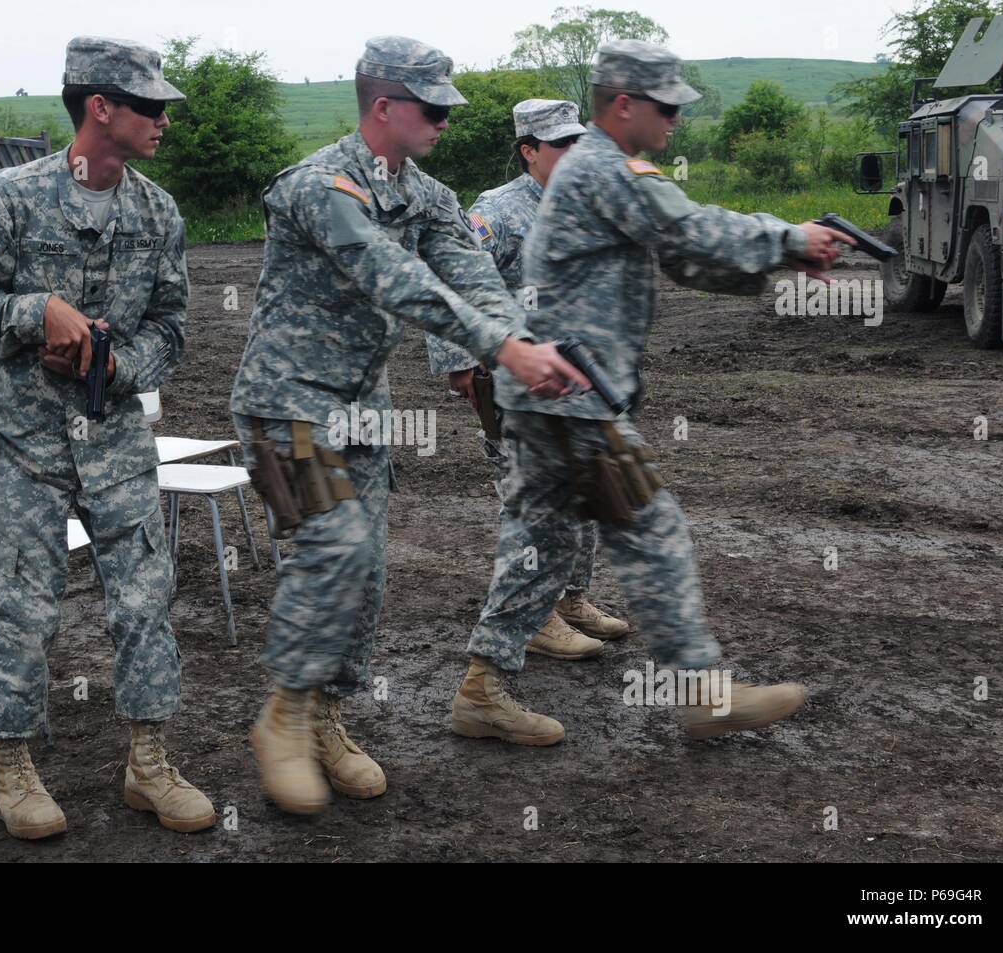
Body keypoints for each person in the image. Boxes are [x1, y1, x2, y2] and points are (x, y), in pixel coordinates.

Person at [450, 39, 853, 746]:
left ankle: (481, 689)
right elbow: (690, 227)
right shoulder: (605, 169)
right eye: (665, 106)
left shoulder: (598, 173)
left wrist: (780, 255)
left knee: (536, 541)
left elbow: (684, 257)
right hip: (572, 395)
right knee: (652, 528)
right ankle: (701, 691)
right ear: (625, 105)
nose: (674, 118)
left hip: (548, 394)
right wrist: (788, 237)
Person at [229, 36, 589, 815]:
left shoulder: (424, 194)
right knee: (332, 547)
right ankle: (284, 719)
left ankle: (325, 719)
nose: (447, 121)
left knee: (367, 575)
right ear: (384, 106)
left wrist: (513, 338)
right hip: (287, 403)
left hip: (362, 408)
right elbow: (393, 278)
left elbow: (471, 272)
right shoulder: (320, 185)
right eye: (433, 108)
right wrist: (502, 347)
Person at [0, 35, 214, 838]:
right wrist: (35, 311)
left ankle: (149, 763)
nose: (163, 119)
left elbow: (171, 328)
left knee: (144, 597)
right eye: (149, 105)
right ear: (100, 107)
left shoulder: (158, 212)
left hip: (116, 438)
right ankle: (12, 767)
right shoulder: (9, 196)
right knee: (22, 604)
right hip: (25, 440)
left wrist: (118, 362)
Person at [425, 98, 630, 662]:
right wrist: (459, 365)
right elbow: (449, 283)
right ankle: (533, 617)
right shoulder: (498, 211)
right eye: (561, 144)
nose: (574, 152)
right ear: (529, 151)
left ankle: (569, 599)